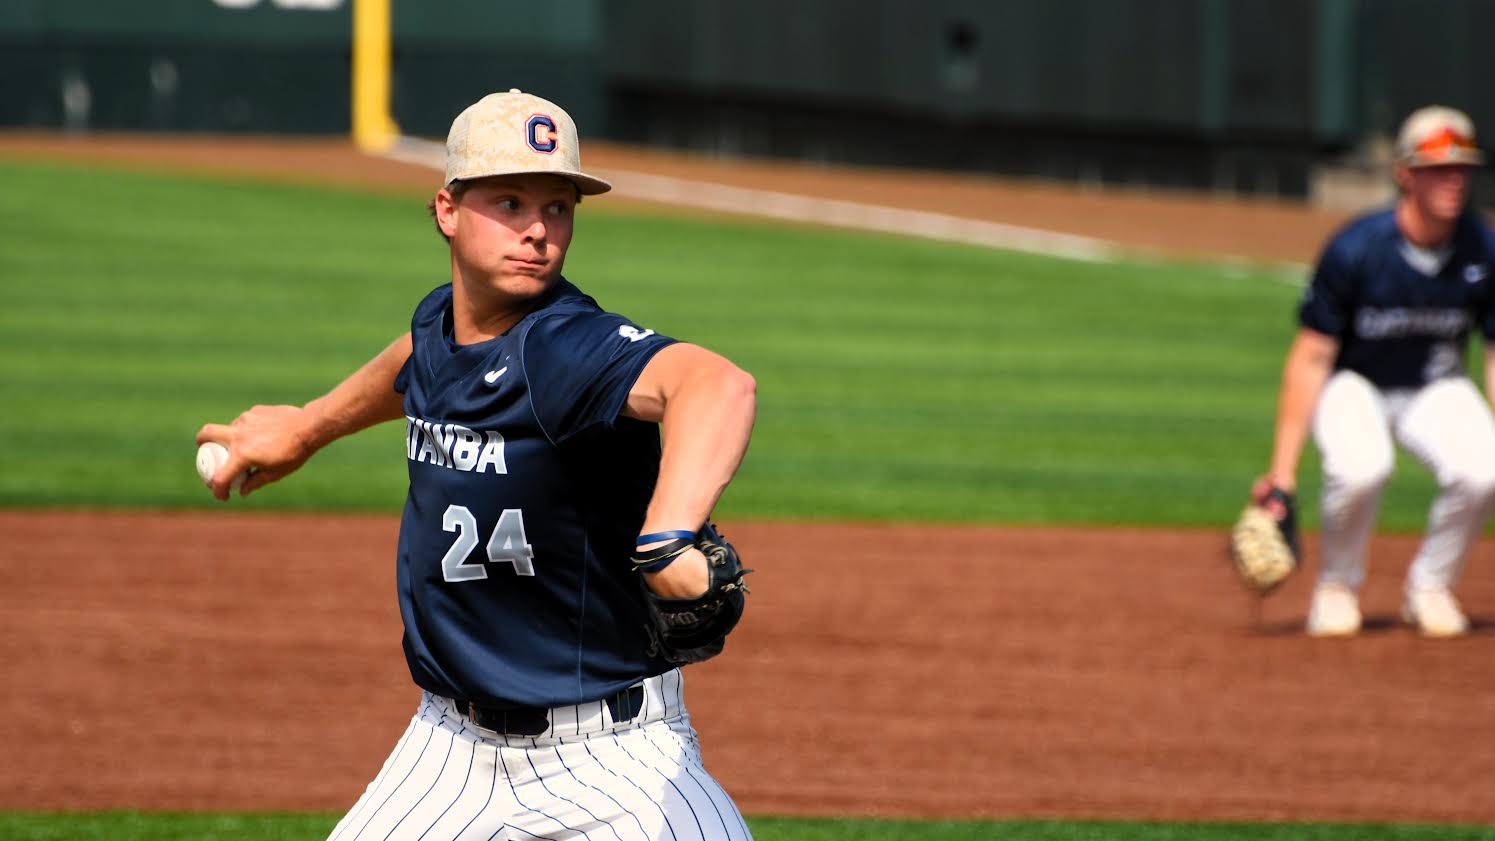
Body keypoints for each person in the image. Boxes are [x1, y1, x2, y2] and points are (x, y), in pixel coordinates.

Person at [197, 89, 758, 840]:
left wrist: (667, 533)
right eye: (511, 201)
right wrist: (308, 427)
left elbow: (718, 383)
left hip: (612, 758)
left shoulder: (565, 347)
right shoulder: (440, 322)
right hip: (448, 750)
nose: (537, 231)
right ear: (446, 210)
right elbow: (420, 361)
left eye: (558, 207)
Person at [1256, 104, 1495, 638]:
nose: (1454, 181)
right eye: (1439, 169)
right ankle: (1337, 586)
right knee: (1363, 467)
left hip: (1434, 383)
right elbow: (1311, 357)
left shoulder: (1483, 249)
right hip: (1354, 382)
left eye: (1462, 168)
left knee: (1485, 468)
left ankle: (1430, 587)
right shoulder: (1357, 249)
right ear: (1404, 174)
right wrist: (1282, 474)